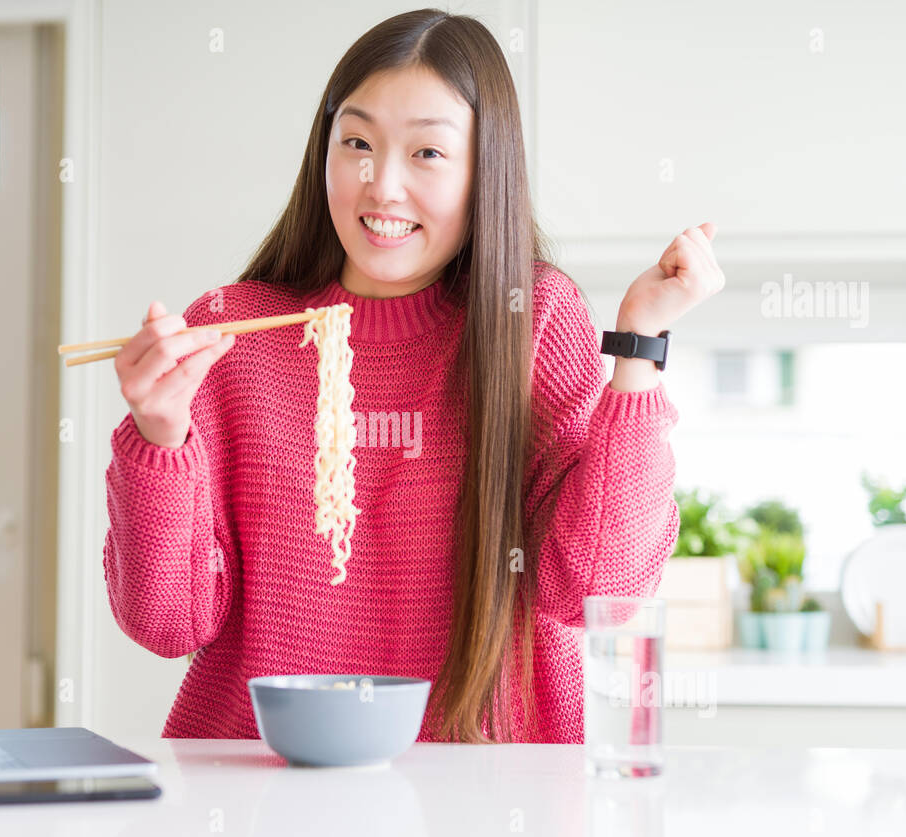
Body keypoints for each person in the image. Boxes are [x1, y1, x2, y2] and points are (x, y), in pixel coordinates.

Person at [104, 8, 724, 744]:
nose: (381, 186)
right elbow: (168, 622)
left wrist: (640, 348)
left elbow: (599, 589)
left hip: (488, 797)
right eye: (357, 142)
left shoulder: (532, 317)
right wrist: (158, 436)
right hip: (259, 793)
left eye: (427, 153)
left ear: (482, 169)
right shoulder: (233, 331)